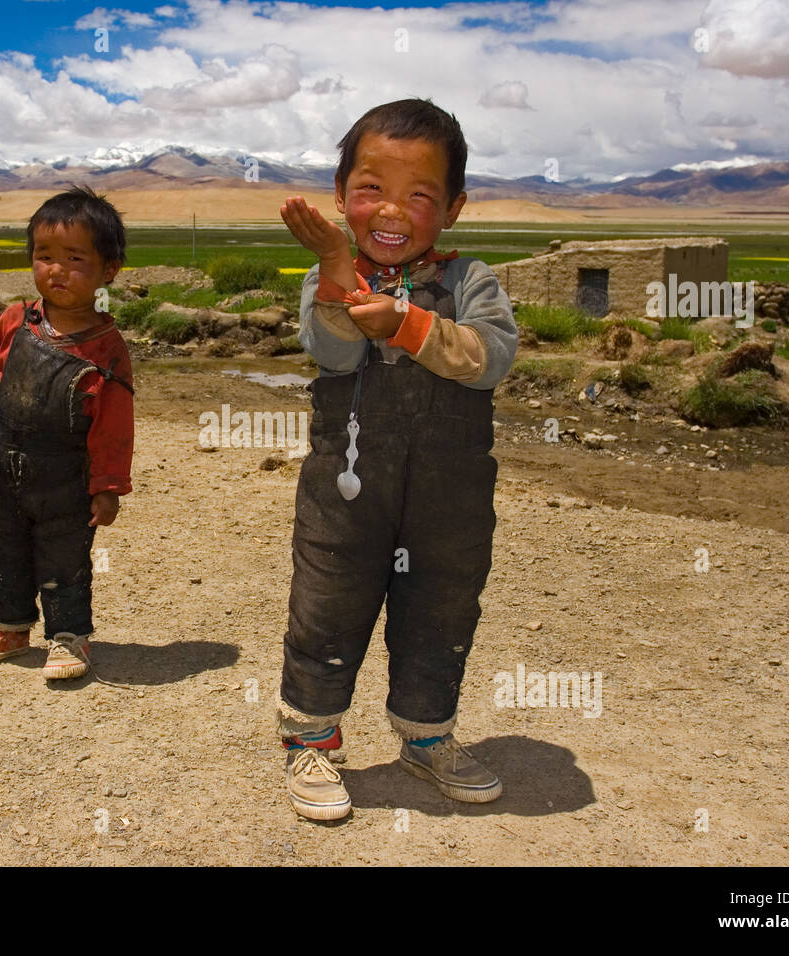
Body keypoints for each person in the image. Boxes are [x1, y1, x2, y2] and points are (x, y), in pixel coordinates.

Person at [276, 99, 518, 820]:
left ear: (454, 207)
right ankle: (312, 742)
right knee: (327, 607)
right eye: (371, 189)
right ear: (341, 197)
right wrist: (336, 272)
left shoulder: (471, 279)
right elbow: (334, 350)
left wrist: (411, 324)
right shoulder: (330, 277)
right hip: (345, 498)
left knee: (440, 611)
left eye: (419, 194)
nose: (391, 209)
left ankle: (426, 736)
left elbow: (490, 359)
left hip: (452, 500)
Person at [0, 186, 134, 679]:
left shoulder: (108, 349)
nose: (56, 269)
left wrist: (108, 487)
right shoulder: (15, 320)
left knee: (64, 558)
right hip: (1, 464)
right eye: (44, 256)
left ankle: (69, 637)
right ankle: (10, 626)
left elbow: (114, 428)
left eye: (74, 258)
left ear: (108, 269)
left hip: (67, 475)